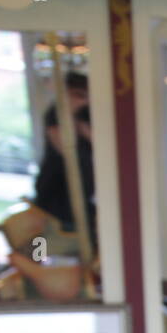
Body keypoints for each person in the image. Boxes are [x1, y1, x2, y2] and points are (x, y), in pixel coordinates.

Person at [33, 71, 96, 245]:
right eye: (78, 96)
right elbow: (64, 146)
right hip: (59, 187)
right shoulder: (55, 115)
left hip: (82, 186)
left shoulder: (85, 115)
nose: (83, 101)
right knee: (46, 233)